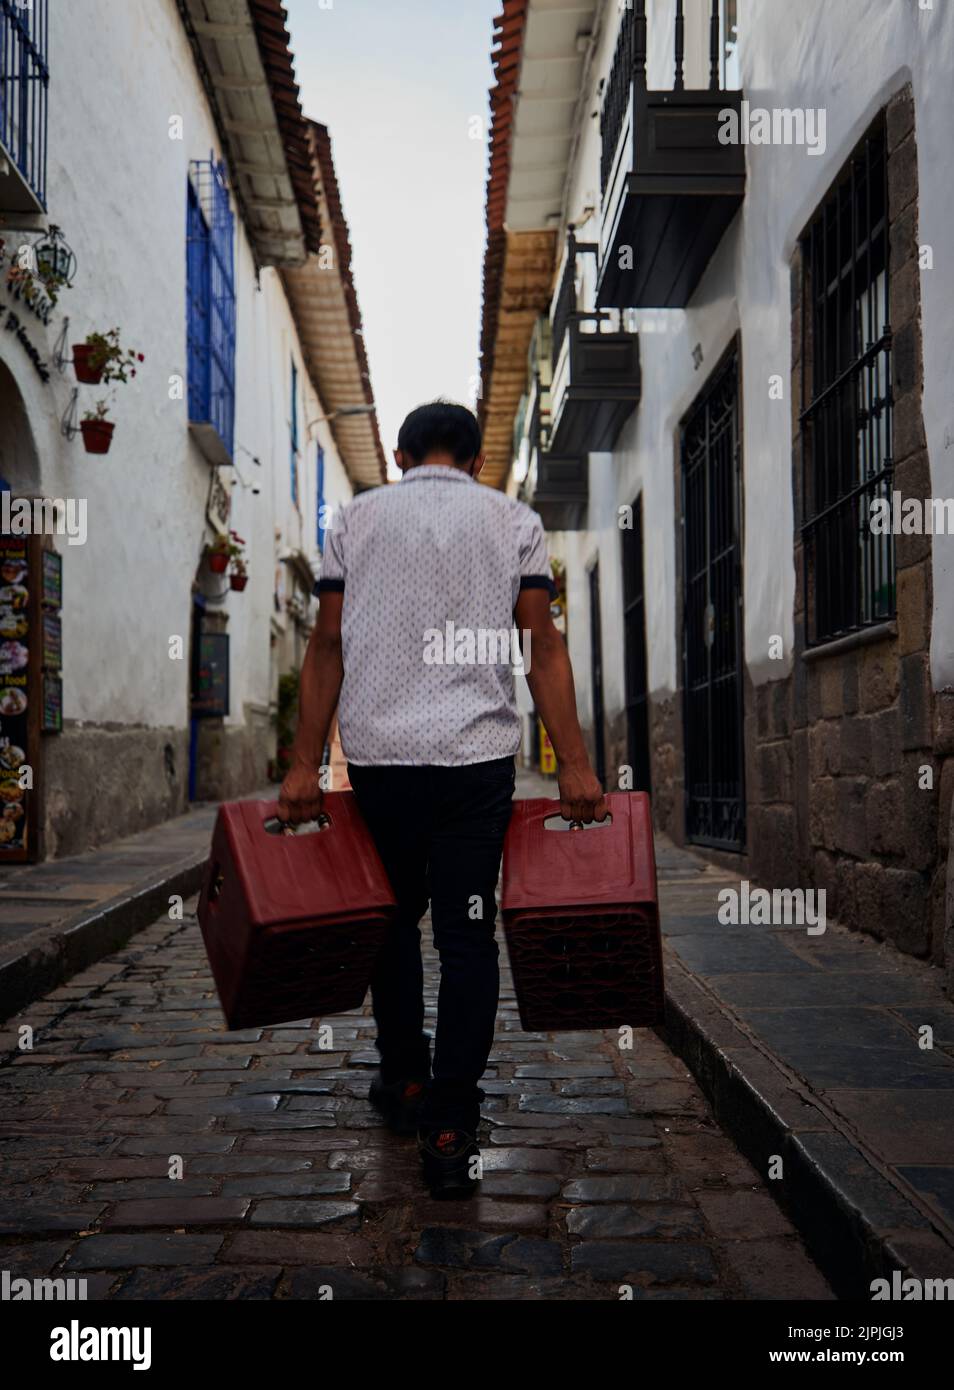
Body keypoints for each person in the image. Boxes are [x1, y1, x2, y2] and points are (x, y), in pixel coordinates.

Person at [278, 401, 607, 1198]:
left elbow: (324, 646)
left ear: (399, 455)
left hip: (381, 762)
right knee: (467, 937)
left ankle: (406, 1080)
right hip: (476, 761)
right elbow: (543, 646)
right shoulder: (512, 521)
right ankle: (452, 1118)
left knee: (390, 925)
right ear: (478, 460)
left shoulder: (354, 521)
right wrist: (576, 765)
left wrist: (302, 768)